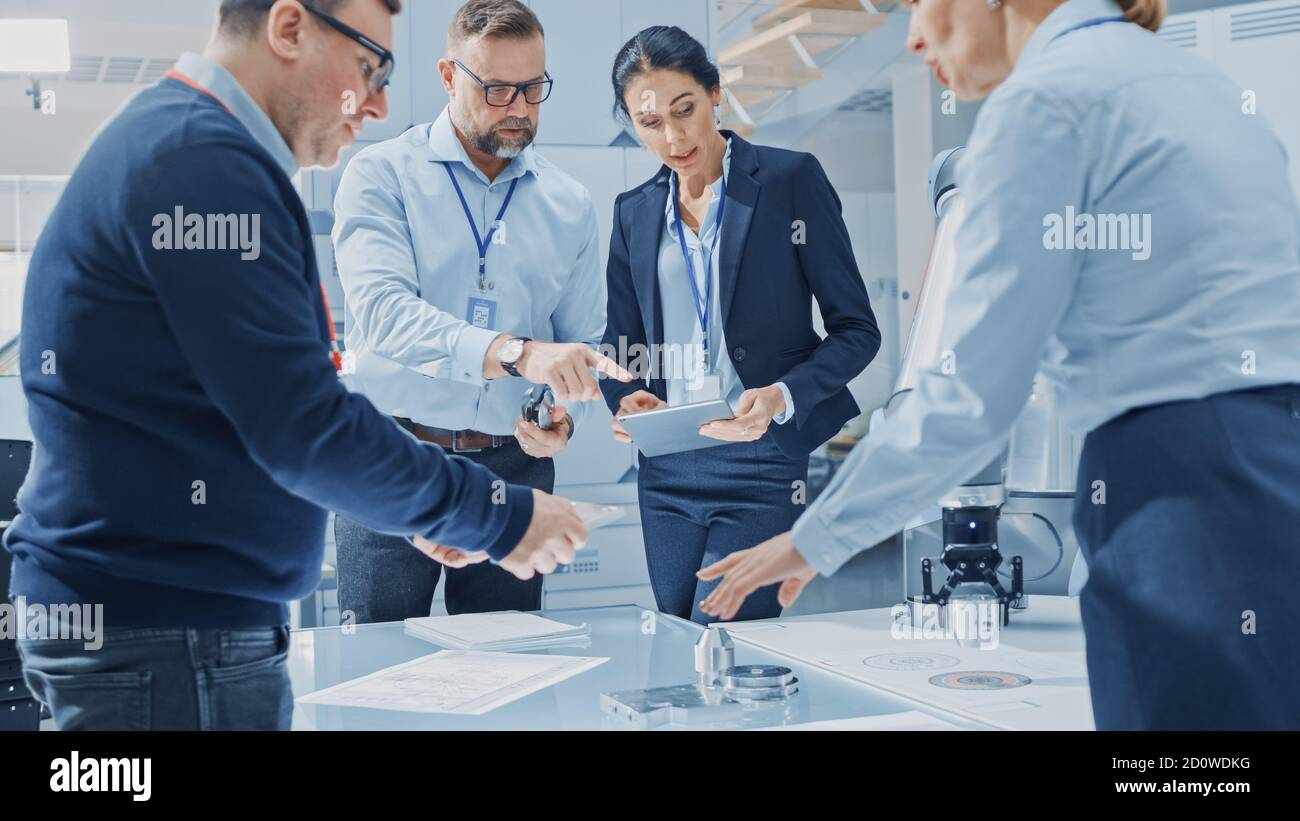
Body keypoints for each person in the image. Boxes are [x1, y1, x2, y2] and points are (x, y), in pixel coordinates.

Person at [696, 0, 1300, 730]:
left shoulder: (1042, 106)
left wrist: (814, 539)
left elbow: (971, 397)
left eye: (918, 3)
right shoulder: (1203, 85)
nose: (914, 34)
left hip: (1173, 492)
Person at [4, 0, 587, 731]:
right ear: (289, 28)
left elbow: (253, 412)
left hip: (163, 627)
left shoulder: (194, 147)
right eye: (370, 67)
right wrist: (495, 512)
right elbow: (301, 423)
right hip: (167, 634)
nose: (376, 104)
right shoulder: (203, 165)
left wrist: (409, 509)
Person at [332, 0, 630, 623]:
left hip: (514, 468)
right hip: (393, 455)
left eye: (533, 88)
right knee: (376, 674)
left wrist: (558, 419)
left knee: (509, 664)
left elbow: (577, 344)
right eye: (496, 89)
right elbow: (385, 314)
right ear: (449, 76)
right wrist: (518, 353)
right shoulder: (381, 175)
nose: (519, 108)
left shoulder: (569, 204)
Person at [601, 27, 880, 624]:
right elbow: (620, 345)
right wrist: (625, 399)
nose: (674, 137)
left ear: (715, 95)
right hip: (667, 465)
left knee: (728, 640)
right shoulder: (633, 212)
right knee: (677, 636)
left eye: (686, 110)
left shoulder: (790, 181)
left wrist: (782, 395)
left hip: (761, 459)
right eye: (650, 123)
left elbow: (858, 330)